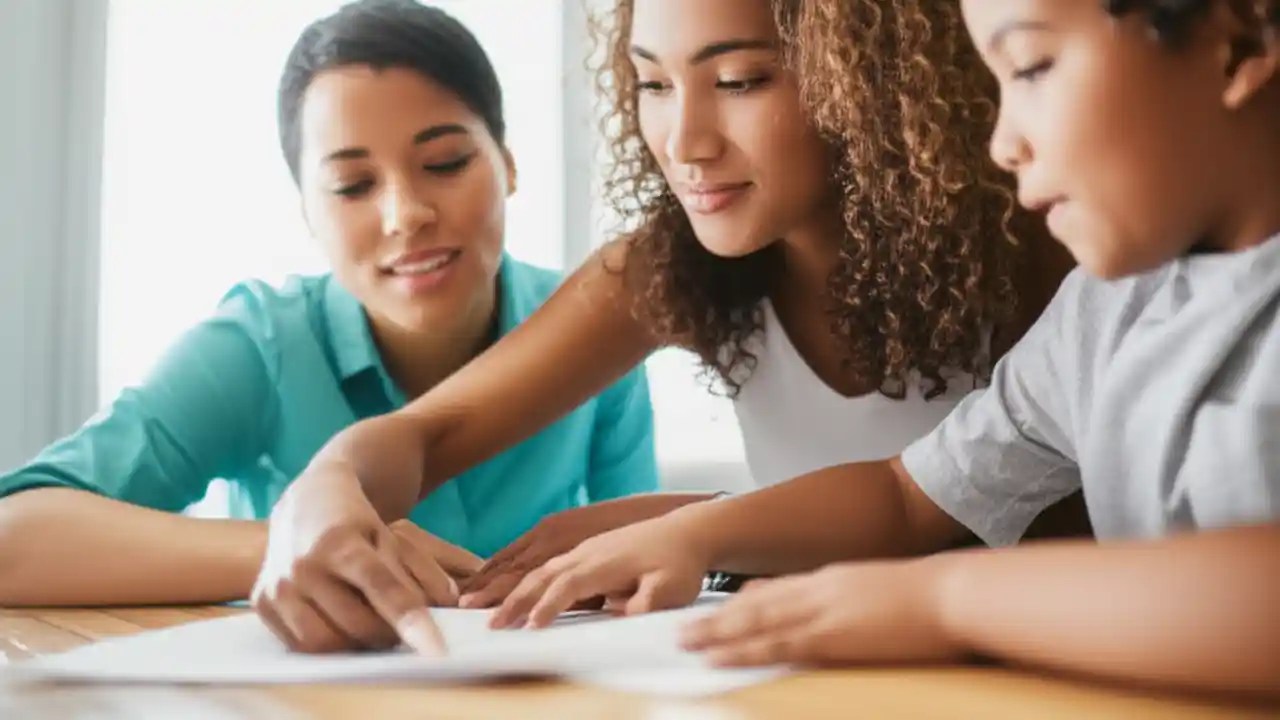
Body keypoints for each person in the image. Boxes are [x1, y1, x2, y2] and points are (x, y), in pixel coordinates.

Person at [488, 0, 1280, 702]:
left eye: (1033, 66)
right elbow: (912, 494)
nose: (1002, 141)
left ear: (1240, 41)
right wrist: (700, 534)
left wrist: (941, 602)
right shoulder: (1104, 310)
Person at [251, 0, 1076, 654]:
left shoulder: (1047, 236)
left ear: (874, 75)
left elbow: (967, 512)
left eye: (742, 80)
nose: (684, 142)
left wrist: (705, 527)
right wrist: (320, 494)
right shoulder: (672, 265)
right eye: (652, 84)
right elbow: (430, 431)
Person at [0, 0, 657, 612]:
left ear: (508, 164)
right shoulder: (258, 347)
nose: (406, 215)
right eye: (352, 185)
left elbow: (642, 565)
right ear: (307, 212)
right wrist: (298, 541)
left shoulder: (599, 332)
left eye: (446, 162)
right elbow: (12, 537)